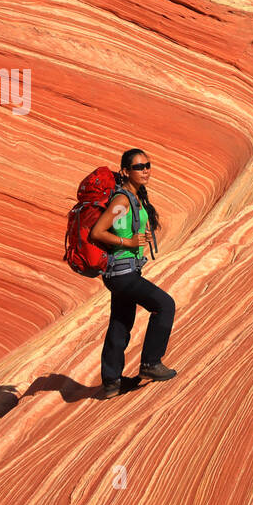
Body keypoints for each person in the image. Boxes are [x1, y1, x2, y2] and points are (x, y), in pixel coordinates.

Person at [88, 149, 177, 398]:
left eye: (148, 165)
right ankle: (150, 363)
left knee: (120, 323)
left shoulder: (133, 198)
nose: (146, 170)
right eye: (139, 167)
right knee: (164, 305)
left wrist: (138, 238)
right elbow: (98, 232)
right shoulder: (122, 200)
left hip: (123, 271)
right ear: (126, 171)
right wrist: (129, 244)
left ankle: (112, 381)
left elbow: (122, 229)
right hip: (121, 273)